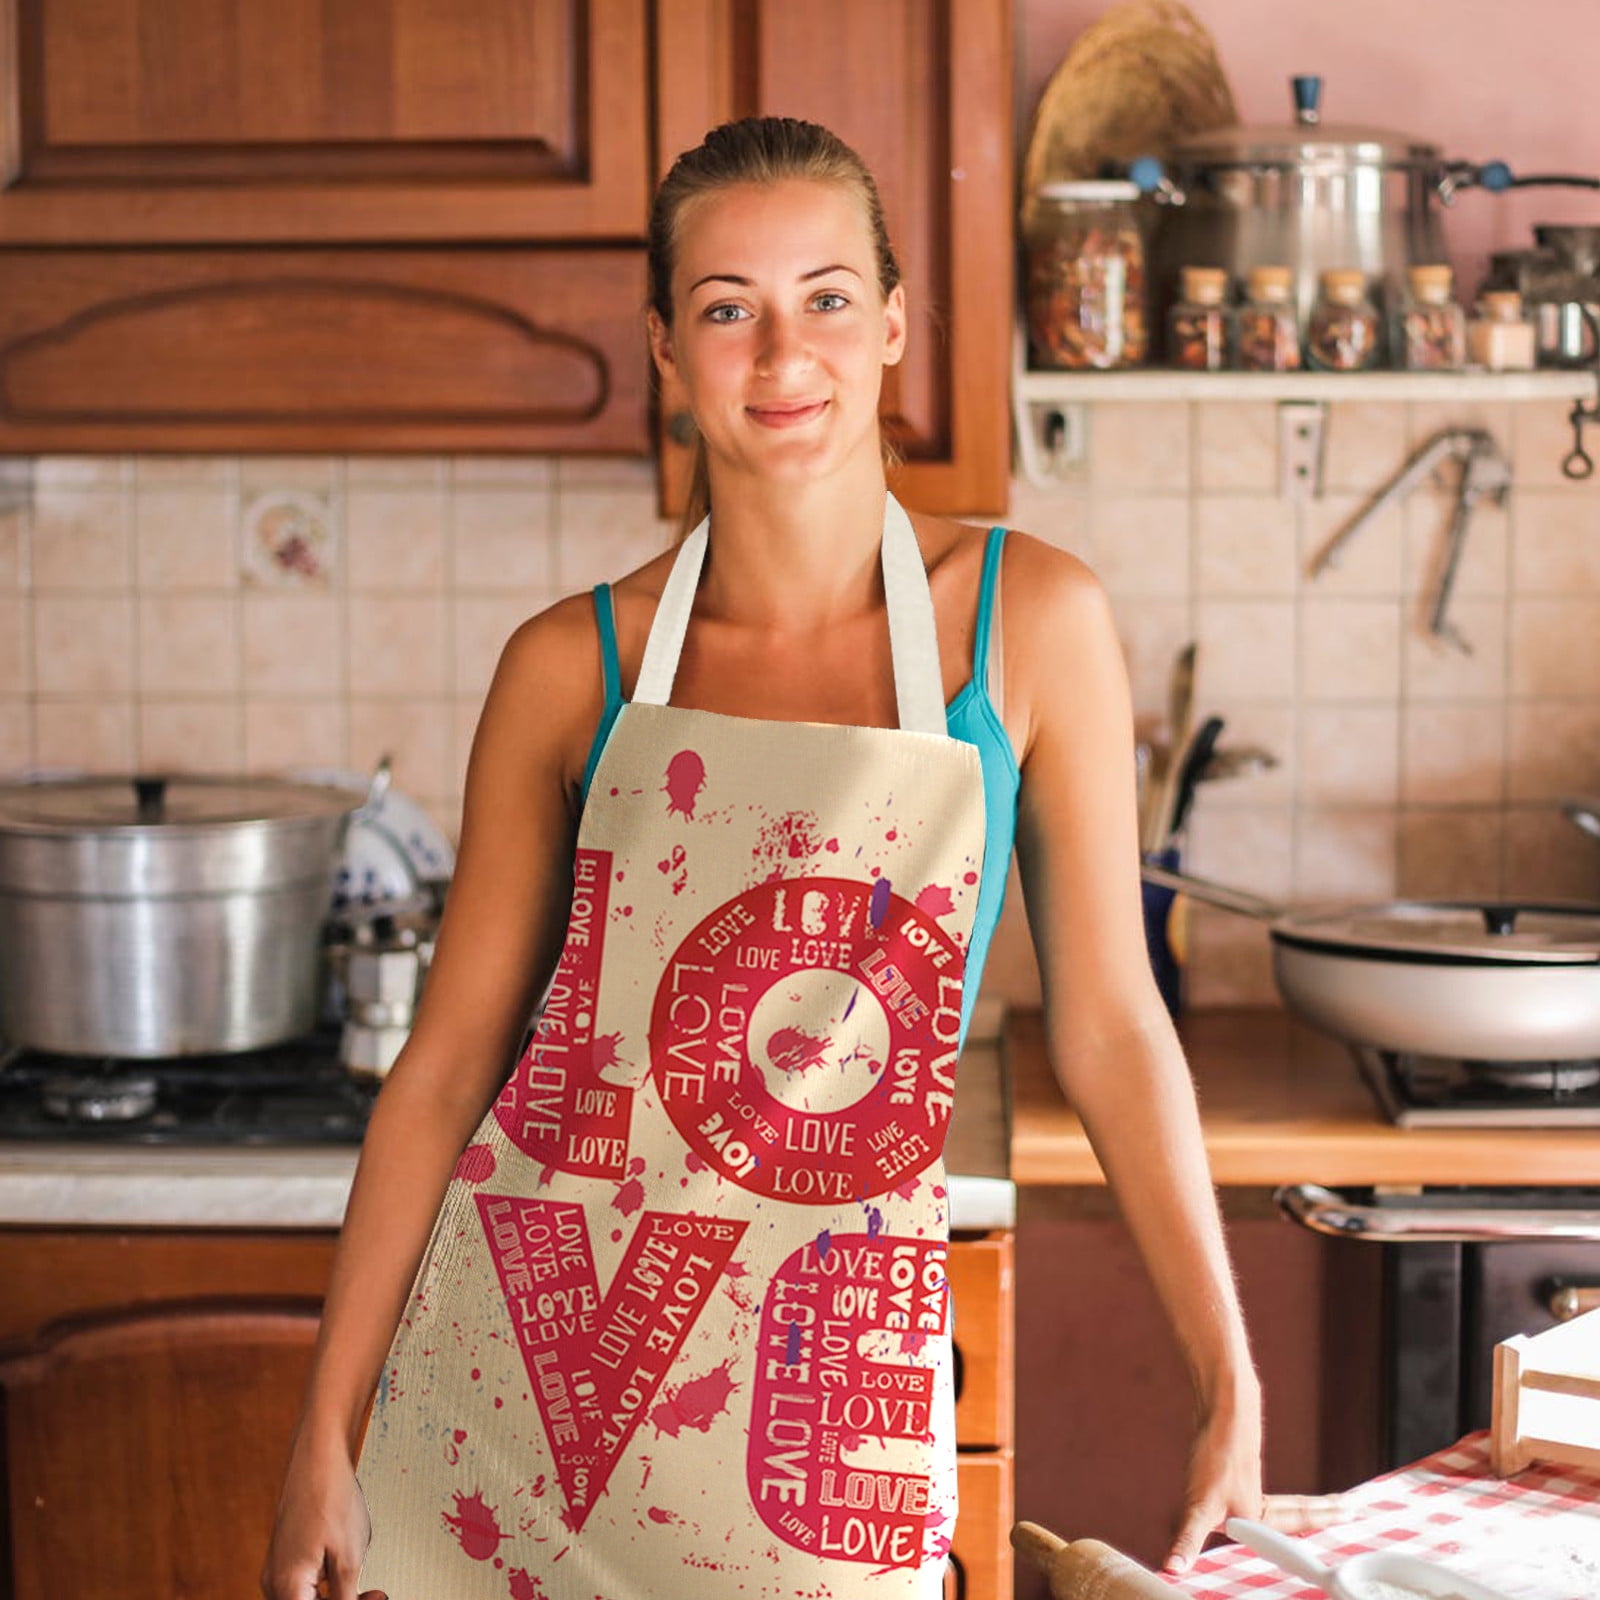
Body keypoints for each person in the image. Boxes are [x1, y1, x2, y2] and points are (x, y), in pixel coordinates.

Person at [261, 115, 1262, 1600]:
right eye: (729, 309)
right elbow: (449, 1064)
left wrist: (1224, 1378)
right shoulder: (570, 667)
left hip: (819, 1430)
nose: (784, 353)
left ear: (899, 320)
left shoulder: (1027, 624)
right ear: (665, 346)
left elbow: (1114, 1026)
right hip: (514, 1422)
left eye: (828, 297)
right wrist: (321, 1435)